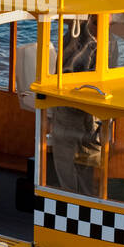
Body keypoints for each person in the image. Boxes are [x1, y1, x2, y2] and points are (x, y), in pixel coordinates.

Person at [48, 18, 102, 196]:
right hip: (72, 112)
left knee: (76, 165)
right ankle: (74, 200)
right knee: (70, 164)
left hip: (82, 113)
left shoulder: (85, 41)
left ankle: (76, 199)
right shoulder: (82, 43)